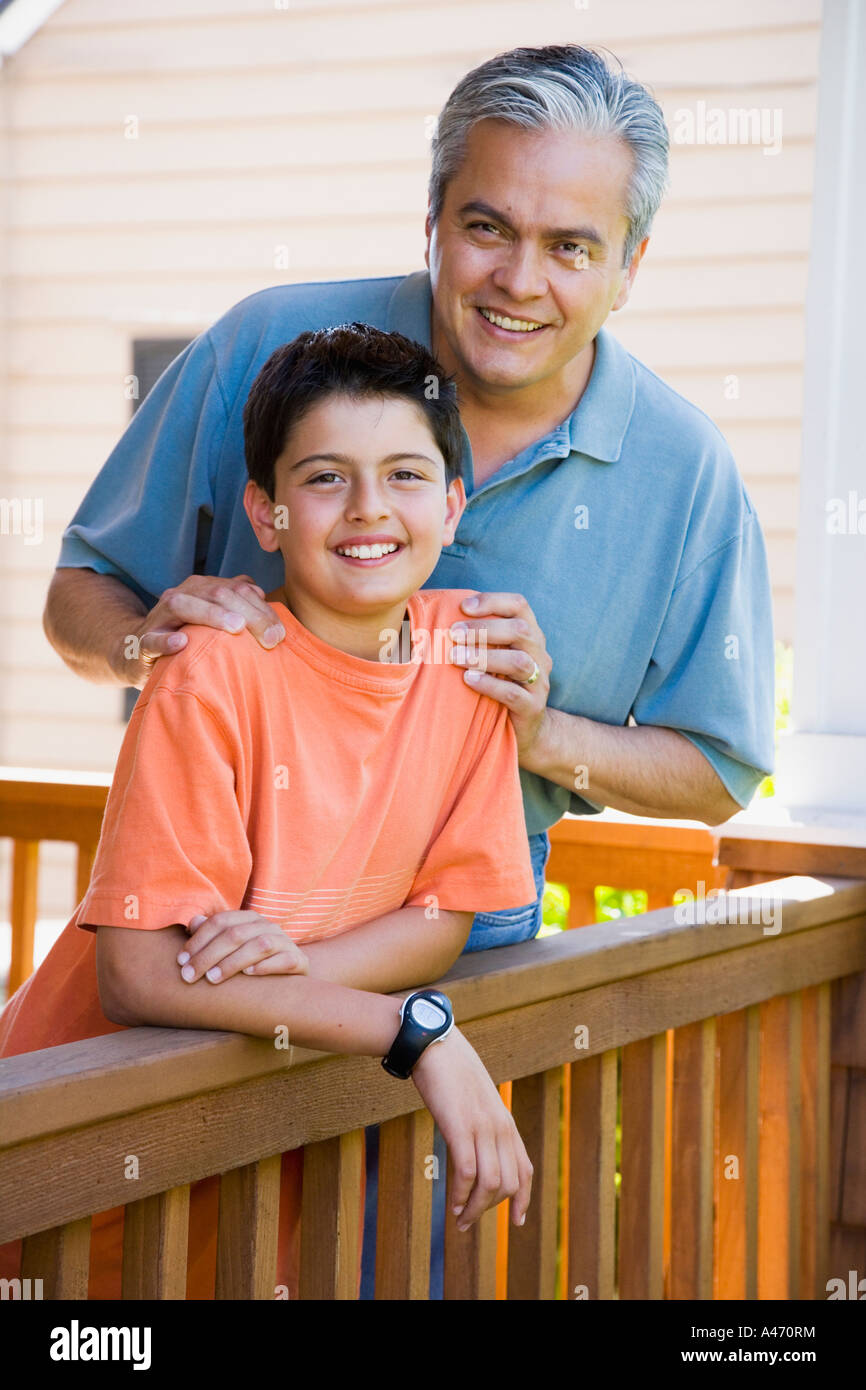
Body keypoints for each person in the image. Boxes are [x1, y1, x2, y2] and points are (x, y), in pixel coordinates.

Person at [43, 43, 776, 957]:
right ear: (431, 221)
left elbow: (718, 770)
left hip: (463, 914)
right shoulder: (262, 348)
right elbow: (80, 592)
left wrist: (540, 734)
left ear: (629, 266)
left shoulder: (686, 471)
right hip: (216, 894)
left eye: (571, 247)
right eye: (487, 227)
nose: (519, 279)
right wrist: (148, 644)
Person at [0, 324, 536, 1298]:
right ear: (267, 508)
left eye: (406, 474)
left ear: (453, 504)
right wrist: (411, 1031)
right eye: (326, 477)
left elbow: (443, 911)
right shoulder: (212, 665)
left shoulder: (471, 661)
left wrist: (296, 970)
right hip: (66, 1137)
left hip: (242, 1152)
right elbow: (138, 976)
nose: (369, 509)